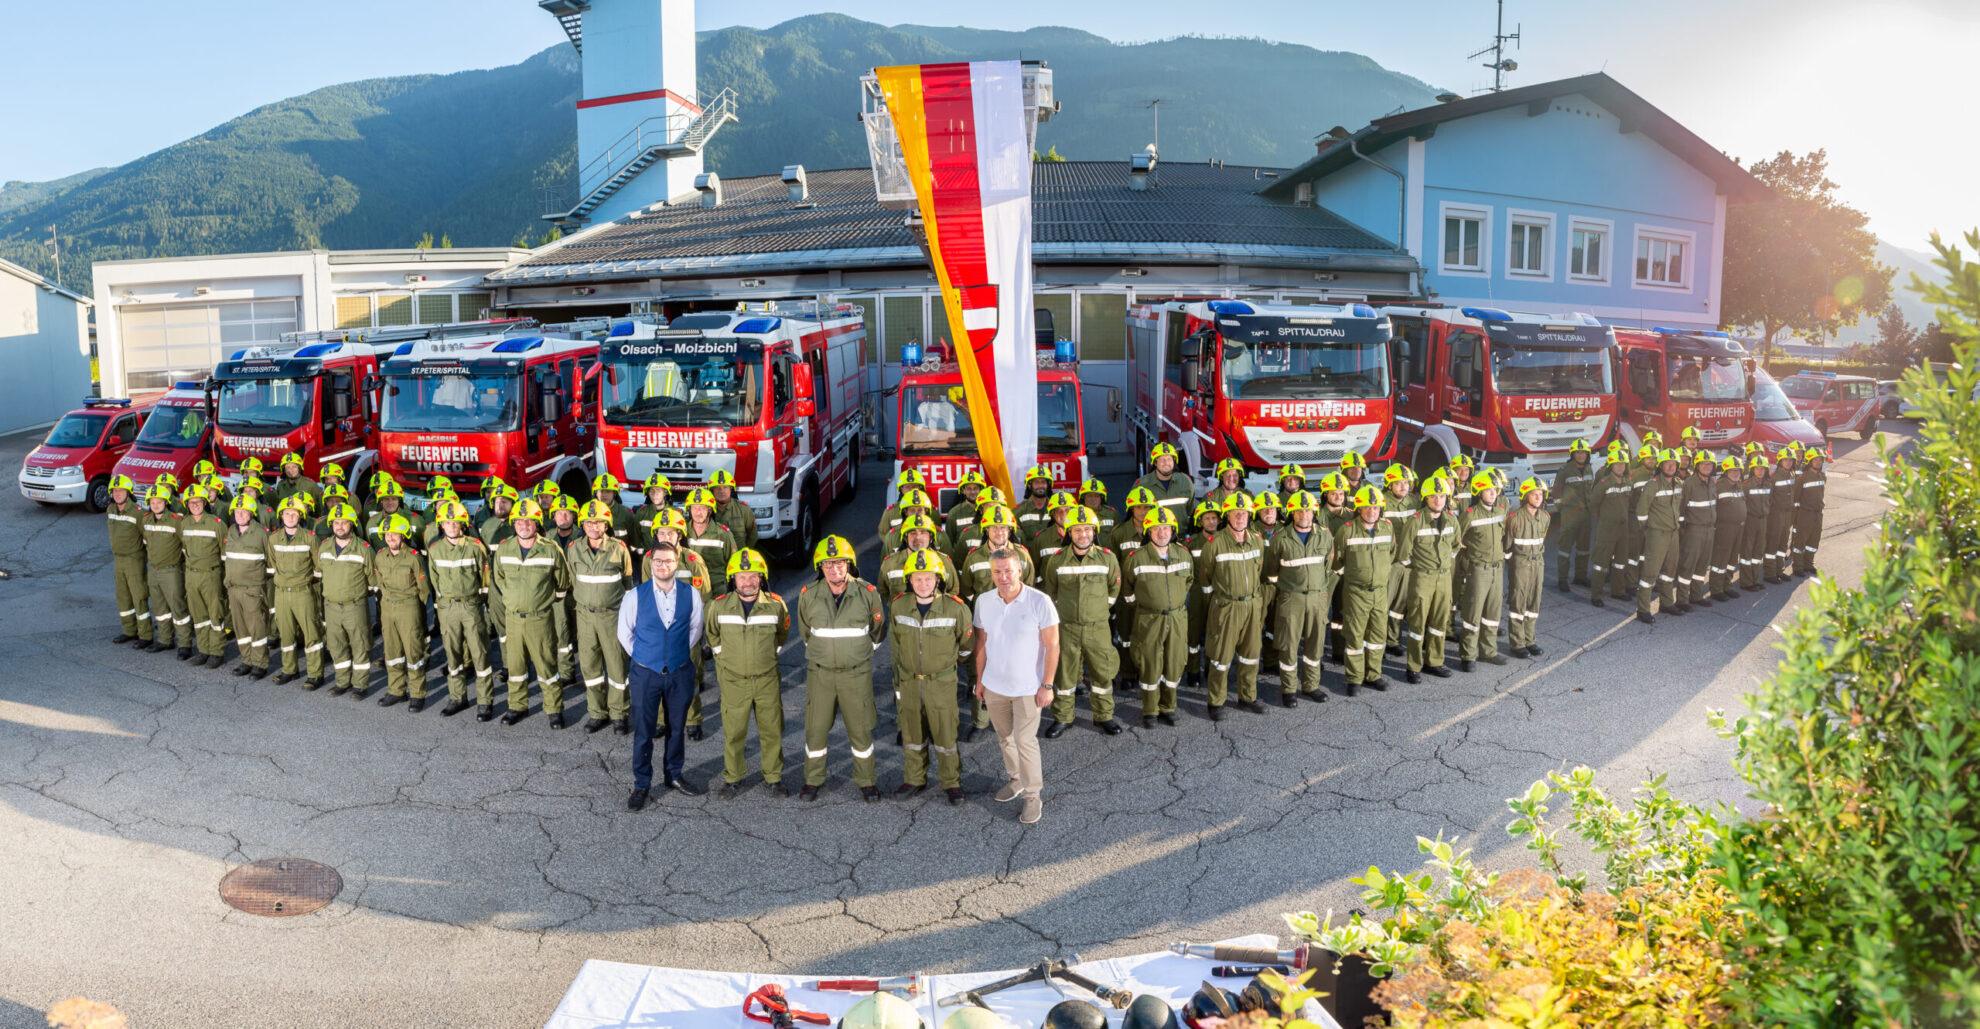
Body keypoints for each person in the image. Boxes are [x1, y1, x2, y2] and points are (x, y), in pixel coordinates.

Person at [795, 535, 887, 802]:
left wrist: (857, 655)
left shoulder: (867, 594)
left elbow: (878, 633)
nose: (835, 569)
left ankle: (867, 782)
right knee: (816, 730)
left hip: (855, 675)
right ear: (820, 568)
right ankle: (813, 780)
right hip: (820, 674)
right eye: (828, 564)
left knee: (860, 731)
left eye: (840, 563)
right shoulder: (808, 596)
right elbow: (806, 633)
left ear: (850, 565)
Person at [616, 541, 707, 809]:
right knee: (643, 730)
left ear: (677, 562)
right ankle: (641, 783)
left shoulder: (691, 594)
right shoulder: (634, 596)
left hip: (679, 672)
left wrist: (673, 654)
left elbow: (695, 630)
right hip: (646, 674)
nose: (663, 566)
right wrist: (649, 656)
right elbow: (625, 634)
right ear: (651, 563)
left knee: (676, 728)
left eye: (668, 561)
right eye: (658, 561)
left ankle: (674, 775)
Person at [973, 549, 1059, 826]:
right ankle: (1016, 780)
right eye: (997, 572)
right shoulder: (984, 602)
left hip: (1028, 688)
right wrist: (980, 680)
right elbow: (982, 645)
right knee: (1005, 737)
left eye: (1008, 571)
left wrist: (1047, 684)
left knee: (1025, 741)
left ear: (1020, 571)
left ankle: (1033, 796)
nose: (1003, 577)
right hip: (995, 685)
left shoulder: (1039, 601)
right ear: (991, 574)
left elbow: (1052, 645)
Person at [705, 548, 791, 798]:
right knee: (734, 732)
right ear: (733, 579)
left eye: (754, 576)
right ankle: (733, 778)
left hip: (766, 680)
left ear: (762, 577)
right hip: (734, 681)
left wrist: (765, 657)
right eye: (742, 577)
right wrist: (726, 659)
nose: (748, 582)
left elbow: (782, 635)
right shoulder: (718, 607)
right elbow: (712, 636)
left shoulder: (776, 605)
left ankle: (773, 777)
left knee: (771, 730)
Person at [888, 550, 973, 803]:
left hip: (941, 683)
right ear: (909, 581)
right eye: (917, 579)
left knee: (945, 735)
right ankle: (915, 778)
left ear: (938, 580)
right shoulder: (898, 605)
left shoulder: (955, 608)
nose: (923, 583)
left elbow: (967, 646)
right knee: (912, 734)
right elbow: (896, 645)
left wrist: (945, 665)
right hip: (910, 681)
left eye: (928, 578)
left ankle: (951, 782)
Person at [1040, 506, 1123, 736]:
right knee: (1065, 674)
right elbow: (1051, 592)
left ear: (1094, 531)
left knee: (1102, 672)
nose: (1083, 534)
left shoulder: (1108, 558)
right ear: (1069, 533)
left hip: (1098, 627)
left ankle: (1104, 716)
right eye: (1077, 530)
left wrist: (1097, 610)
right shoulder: (1057, 561)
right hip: (1067, 627)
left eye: (1087, 529)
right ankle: (1063, 718)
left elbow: (1114, 589)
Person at [492, 497, 572, 726]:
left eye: (529, 521)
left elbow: (563, 582)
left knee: (547, 665)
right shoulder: (505, 548)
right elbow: (498, 579)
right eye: (519, 521)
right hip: (514, 618)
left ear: (537, 523)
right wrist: (513, 600)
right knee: (515, 667)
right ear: (513, 523)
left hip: (540, 618)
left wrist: (542, 602)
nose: (524, 525)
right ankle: (517, 706)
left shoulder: (550, 549)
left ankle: (554, 709)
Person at [566, 499, 636, 733]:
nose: (593, 527)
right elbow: (572, 578)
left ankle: (619, 713)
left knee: (617, 667)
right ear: (582, 525)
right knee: (590, 666)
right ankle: (597, 713)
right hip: (585, 616)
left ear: (606, 525)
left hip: (611, 617)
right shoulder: (574, 548)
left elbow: (628, 583)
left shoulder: (619, 548)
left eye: (599, 523)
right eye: (589, 523)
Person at [1121, 507, 1193, 726]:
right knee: (1150, 663)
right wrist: (1145, 608)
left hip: (1177, 618)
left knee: (1175, 662)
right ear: (1148, 531)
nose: (1162, 533)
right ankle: (1150, 710)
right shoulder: (1137, 558)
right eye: (1156, 529)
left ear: (1173, 530)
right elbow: (1127, 590)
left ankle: (1168, 707)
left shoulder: (1183, 554)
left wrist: (1174, 603)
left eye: (1166, 528)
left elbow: (1189, 581)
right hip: (1149, 619)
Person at [1199, 493, 1267, 717]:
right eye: (1235, 513)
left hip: (1251, 605)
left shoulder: (1257, 539)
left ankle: (1247, 697)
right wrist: (1219, 605)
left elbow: (1259, 571)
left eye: (1244, 513)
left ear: (1250, 515)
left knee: (1250, 654)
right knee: (1221, 657)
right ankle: (1216, 702)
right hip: (1226, 607)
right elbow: (1205, 578)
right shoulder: (1215, 543)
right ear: (1226, 516)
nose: (1240, 517)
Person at [426, 500, 495, 718]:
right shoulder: (435, 550)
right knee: (453, 655)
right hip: (447, 607)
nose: (452, 526)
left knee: (479, 654)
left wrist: (480, 602)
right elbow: (434, 581)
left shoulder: (475, 547)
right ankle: (458, 697)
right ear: (441, 525)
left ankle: (485, 701)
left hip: (471, 605)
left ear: (463, 523)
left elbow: (485, 579)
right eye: (447, 522)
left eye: (456, 522)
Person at [1263, 490, 1331, 703]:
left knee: (1315, 643)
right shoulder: (1280, 539)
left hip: (1317, 598)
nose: (1304, 515)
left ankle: (1311, 686)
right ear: (1292, 513)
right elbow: (1270, 571)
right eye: (1299, 511)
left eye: (1308, 511)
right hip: (1291, 598)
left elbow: (1327, 566)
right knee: (1289, 645)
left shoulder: (1325, 535)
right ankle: (1289, 690)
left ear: (1314, 512)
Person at [1332, 485, 1397, 693]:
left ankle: (1373, 675)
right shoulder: (1347, 530)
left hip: (1379, 591)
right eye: (1367, 507)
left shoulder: (1387, 527)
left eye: (1376, 508)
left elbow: (1392, 554)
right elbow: (1336, 561)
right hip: (1356, 592)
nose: (1372, 511)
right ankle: (1354, 679)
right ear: (1359, 509)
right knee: (1355, 636)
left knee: (1377, 636)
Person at [1399, 473, 1460, 683]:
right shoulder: (1415, 521)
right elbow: (1404, 554)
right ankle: (1413, 666)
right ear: (1425, 498)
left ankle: (1434, 661)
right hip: (1422, 578)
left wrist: (1443, 564)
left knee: (1439, 621)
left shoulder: (1452, 519)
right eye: (1433, 496)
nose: (1438, 500)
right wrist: (1421, 569)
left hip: (1444, 578)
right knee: (1417, 622)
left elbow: (1456, 545)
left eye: (1442, 496)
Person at [372, 514, 431, 708]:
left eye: (395, 534)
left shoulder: (414, 558)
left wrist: (414, 606)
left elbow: (423, 589)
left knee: (413, 652)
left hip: (408, 607)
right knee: (392, 651)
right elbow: (379, 581)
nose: (390, 538)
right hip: (388, 607)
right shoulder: (380, 556)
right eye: (387, 534)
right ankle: (396, 690)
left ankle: (417, 693)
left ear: (403, 535)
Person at [316, 502, 375, 696]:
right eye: (336, 522)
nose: (340, 526)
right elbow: (319, 572)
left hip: (354, 606)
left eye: (344, 523)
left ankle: (360, 685)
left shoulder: (364, 549)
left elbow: (373, 580)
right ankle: (342, 681)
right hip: (331, 606)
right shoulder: (324, 547)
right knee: (336, 645)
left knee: (360, 645)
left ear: (352, 524)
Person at [266, 496, 324, 685]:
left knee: (311, 633)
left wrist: (305, 583)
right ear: (281, 515)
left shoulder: (310, 538)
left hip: (302, 592)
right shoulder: (273, 538)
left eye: (294, 513)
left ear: (301, 516)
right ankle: (289, 670)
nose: (290, 516)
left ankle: (315, 674)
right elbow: (273, 564)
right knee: (286, 634)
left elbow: (318, 567)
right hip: (281, 593)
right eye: (287, 513)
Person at [1454, 473, 1509, 671]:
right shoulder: (1470, 514)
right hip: (1478, 569)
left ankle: (1489, 651)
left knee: (1493, 613)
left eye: (1495, 490)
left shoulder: (1500, 511)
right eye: (1488, 490)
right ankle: (1468, 655)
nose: (1493, 493)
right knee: (1473, 612)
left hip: (1497, 568)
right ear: (1479, 492)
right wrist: (1465, 563)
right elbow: (1457, 539)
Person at [178, 485, 229, 668]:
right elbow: (184, 549)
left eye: (198, 502)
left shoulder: (216, 523)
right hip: (191, 576)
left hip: (211, 575)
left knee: (215, 614)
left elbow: (225, 555)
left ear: (204, 502)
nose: (195, 505)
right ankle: (203, 650)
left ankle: (216, 652)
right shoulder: (184, 524)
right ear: (187, 505)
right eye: (191, 503)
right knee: (198, 615)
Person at [222, 495, 272, 679]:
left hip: (253, 589)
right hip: (234, 588)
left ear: (251, 513)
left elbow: (271, 561)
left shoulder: (261, 533)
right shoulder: (231, 532)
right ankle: (247, 660)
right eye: (237, 511)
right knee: (240, 628)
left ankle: (260, 663)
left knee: (256, 626)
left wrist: (258, 581)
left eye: (244, 511)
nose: (240, 514)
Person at [139, 484, 191, 658]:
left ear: (166, 502)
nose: (155, 505)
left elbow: (185, 545)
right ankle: (164, 640)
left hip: (171, 571)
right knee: (159, 608)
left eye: (159, 501)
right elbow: (146, 542)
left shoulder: (176, 520)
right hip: (153, 570)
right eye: (152, 501)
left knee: (178, 608)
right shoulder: (146, 520)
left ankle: (184, 644)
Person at [1634, 449, 1685, 624]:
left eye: (1674, 464)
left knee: (1669, 572)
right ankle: (1643, 609)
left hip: (1673, 534)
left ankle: (1667, 603)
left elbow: (1678, 509)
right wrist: (1649, 530)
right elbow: (1641, 512)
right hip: (1657, 534)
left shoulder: (1678, 483)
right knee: (1650, 573)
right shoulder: (1653, 484)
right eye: (1667, 463)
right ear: (1661, 465)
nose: (1671, 466)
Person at [1586, 443, 1637, 607]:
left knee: (1621, 561)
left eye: (1623, 464)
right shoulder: (1604, 483)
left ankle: (1618, 591)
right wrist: (1603, 519)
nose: (1621, 467)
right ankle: (1596, 594)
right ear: (1611, 465)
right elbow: (1593, 504)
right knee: (1601, 563)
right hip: (1607, 529)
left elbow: (1630, 504)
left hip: (1623, 529)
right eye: (1617, 464)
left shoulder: (1628, 482)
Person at [1506, 477, 1551, 659]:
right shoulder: (1515, 518)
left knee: (1534, 602)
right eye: (1534, 494)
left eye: (1540, 494)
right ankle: (1517, 643)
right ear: (1525, 496)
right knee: (1518, 601)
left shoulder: (1545, 517)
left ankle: (1530, 640)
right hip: (1521, 564)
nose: (1538, 497)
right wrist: (1513, 565)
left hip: (1538, 564)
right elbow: (1507, 545)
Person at [105, 475, 151, 647]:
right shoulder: (110, 509)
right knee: (123, 596)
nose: (117, 494)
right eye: (115, 491)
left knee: (139, 596)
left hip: (134, 560)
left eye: (121, 490)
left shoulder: (138, 512)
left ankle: (145, 635)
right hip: (118, 559)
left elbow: (146, 537)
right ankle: (129, 631)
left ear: (128, 492)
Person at [1379, 465, 1419, 655]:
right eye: (1398, 483)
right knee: (1383, 603)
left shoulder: (1415, 501)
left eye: (1406, 482)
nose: (1403, 486)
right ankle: (1377, 641)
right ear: (1389, 484)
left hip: (1409, 561)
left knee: (1399, 604)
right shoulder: (1381, 502)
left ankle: (1392, 640)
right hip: (1388, 562)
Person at [1675, 452, 1719, 612]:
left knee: (1702, 566)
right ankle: (1682, 600)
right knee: (1688, 565)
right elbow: (1680, 509)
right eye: (1703, 464)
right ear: (1697, 466)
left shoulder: (1713, 483)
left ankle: (1696, 595)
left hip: (1709, 530)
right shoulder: (1689, 484)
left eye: (1710, 464)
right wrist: (1683, 530)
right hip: (1693, 531)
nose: (1707, 467)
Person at [1550, 440, 1597, 591]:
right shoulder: (1565, 470)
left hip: (1586, 515)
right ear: (1573, 454)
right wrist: (1563, 509)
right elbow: (1556, 492)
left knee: (1584, 548)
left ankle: (1580, 577)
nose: (1581, 455)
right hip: (1570, 515)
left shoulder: (1589, 468)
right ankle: (1562, 580)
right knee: (1565, 548)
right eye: (1578, 452)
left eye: (1584, 452)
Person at [1708, 457, 1748, 601]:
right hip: (1724, 529)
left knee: (1732, 559)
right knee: (1720, 559)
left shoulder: (1739, 485)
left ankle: (1727, 585)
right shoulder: (1719, 486)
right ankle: (1716, 589)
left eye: (1737, 470)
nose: (1735, 473)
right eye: (1732, 470)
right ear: (1725, 471)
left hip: (1738, 528)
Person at [1764, 444, 1801, 582]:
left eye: (1791, 460)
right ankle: (1769, 573)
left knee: (1782, 544)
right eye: (1786, 460)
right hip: (1776, 515)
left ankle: (1779, 570)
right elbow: (1769, 498)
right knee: (1772, 544)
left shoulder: (1791, 474)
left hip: (1787, 514)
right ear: (1780, 461)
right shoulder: (1774, 477)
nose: (1788, 462)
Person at [1739, 453, 1774, 592]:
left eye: (1762, 468)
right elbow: (1743, 504)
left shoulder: (1768, 484)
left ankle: (1755, 579)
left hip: (1763, 520)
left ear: (1766, 470)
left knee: (1758, 551)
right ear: (1752, 469)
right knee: (1747, 552)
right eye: (1757, 468)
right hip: (1750, 521)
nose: (1760, 471)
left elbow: (1769, 501)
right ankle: (1746, 582)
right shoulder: (1746, 485)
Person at [1132, 442, 1195, 517]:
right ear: (1155, 462)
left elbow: (1191, 513)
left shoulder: (1185, 482)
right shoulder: (1142, 485)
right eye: (1162, 459)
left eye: (1169, 459)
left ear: (1174, 462)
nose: (1166, 463)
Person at [1792, 447, 1828, 575]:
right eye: (1815, 460)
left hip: (1818, 514)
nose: (1818, 462)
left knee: (1814, 540)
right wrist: (1796, 517)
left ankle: (1809, 564)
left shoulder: (1822, 476)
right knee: (1800, 541)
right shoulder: (1802, 478)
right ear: (1809, 461)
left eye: (1820, 460)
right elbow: (1795, 498)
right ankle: (1797, 567)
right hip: (1805, 513)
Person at [1013, 466, 1057, 538]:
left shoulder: (1056, 509)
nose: (1040, 486)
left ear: (1048, 485)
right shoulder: (1018, 511)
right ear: (1030, 485)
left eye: (1043, 482)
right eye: (1036, 482)